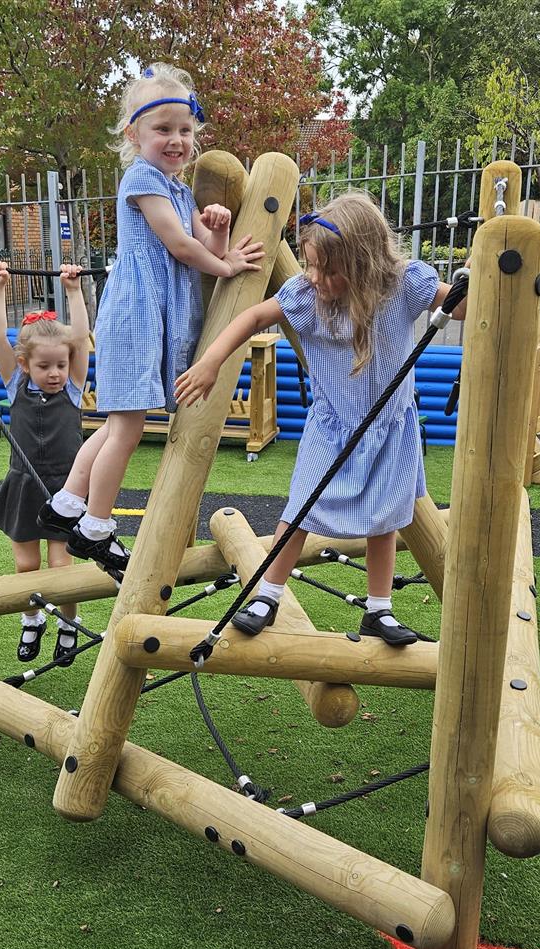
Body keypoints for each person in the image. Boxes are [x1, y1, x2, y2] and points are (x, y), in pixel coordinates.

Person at [175, 191, 465, 646]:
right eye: (310, 265)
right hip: (330, 428)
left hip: (391, 428)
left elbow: (458, 305)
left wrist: (479, 284)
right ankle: (267, 595)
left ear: (365, 264)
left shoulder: (402, 284)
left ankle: (379, 610)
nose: (316, 277)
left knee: (386, 518)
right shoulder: (309, 296)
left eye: (329, 270)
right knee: (299, 510)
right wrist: (211, 361)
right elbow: (253, 316)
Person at [38, 63, 264, 576]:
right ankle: (95, 526)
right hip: (137, 315)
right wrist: (223, 262)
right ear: (133, 134)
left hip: (153, 318)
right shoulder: (141, 178)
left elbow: (203, 244)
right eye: (162, 129)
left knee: (122, 421)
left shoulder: (180, 191)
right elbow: (182, 247)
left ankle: (68, 502)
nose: (177, 140)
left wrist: (221, 230)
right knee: (128, 428)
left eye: (185, 130)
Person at [0, 261, 90, 665]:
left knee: (61, 565)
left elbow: (80, 339)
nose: (55, 374)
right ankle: (32, 620)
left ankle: (68, 625)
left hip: (65, 488)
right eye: (45, 366)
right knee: (26, 563)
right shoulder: (16, 386)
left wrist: (73, 291)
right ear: (25, 364)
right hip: (26, 487)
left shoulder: (74, 389)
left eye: (61, 366)